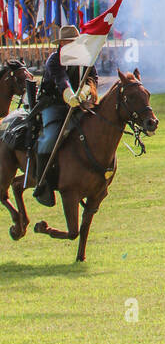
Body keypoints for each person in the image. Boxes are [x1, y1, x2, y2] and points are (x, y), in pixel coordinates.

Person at [32, 27, 95, 208]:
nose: (72, 45)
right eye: (68, 42)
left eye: (74, 41)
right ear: (61, 44)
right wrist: (70, 95)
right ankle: (41, 182)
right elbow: (61, 80)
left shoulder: (85, 58)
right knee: (50, 137)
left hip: (78, 102)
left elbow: (93, 78)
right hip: (52, 104)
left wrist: (83, 92)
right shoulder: (54, 59)